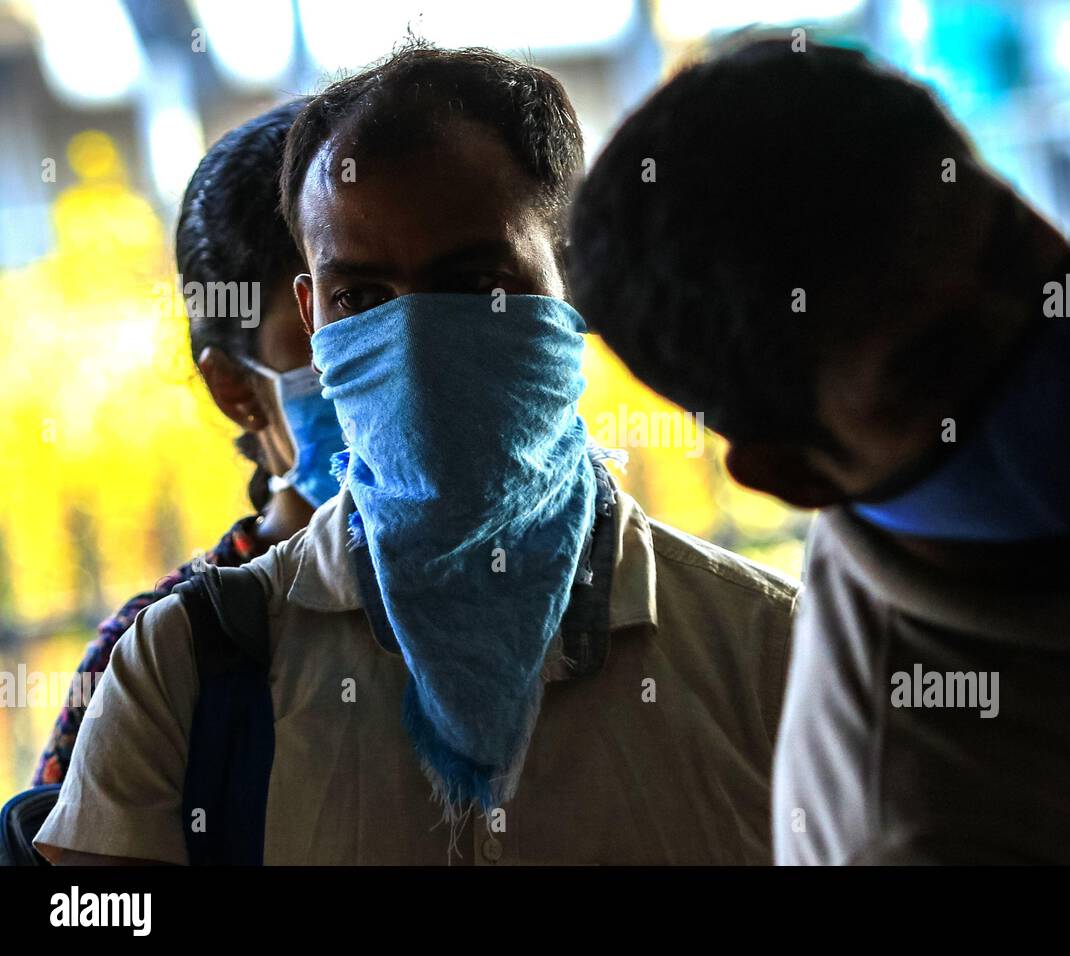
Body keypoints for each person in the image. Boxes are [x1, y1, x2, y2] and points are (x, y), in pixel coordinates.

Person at [34, 44, 799, 866]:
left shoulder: (772, 656)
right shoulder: (178, 675)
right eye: (361, 298)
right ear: (314, 312)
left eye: (473, 285)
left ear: (573, 273)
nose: (418, 345)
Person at [565, 38, 1070, 863]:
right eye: (935, 364)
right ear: (799, 472)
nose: (1036, 329)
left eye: (1014, 248)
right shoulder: (934, 822)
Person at [31, 100, 344, 787]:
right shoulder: (169, 658)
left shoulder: (578, 589)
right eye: (341, 312)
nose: (399, 350)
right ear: (235, 388)